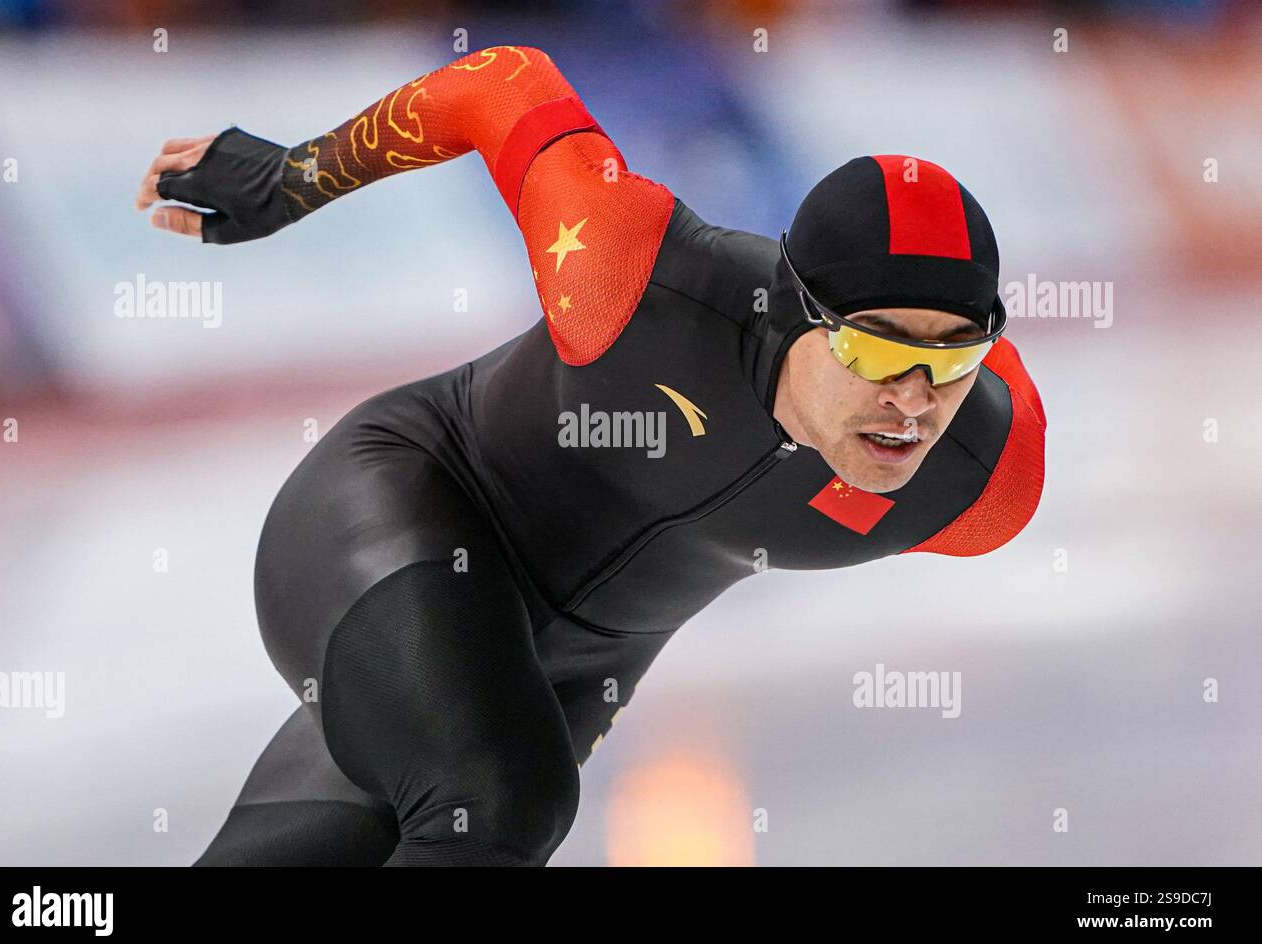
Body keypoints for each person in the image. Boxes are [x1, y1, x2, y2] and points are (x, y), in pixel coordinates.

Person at [135, 45, 1045, 866]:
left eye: (951, 358)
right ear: (788, 307)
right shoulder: (636, 278)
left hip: (571, 671)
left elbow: (981, 379)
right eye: (877, 350)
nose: (914, 401)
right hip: (398, 510)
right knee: (495, 803)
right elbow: (501, 84)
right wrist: (293, 178)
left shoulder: (981, 483)